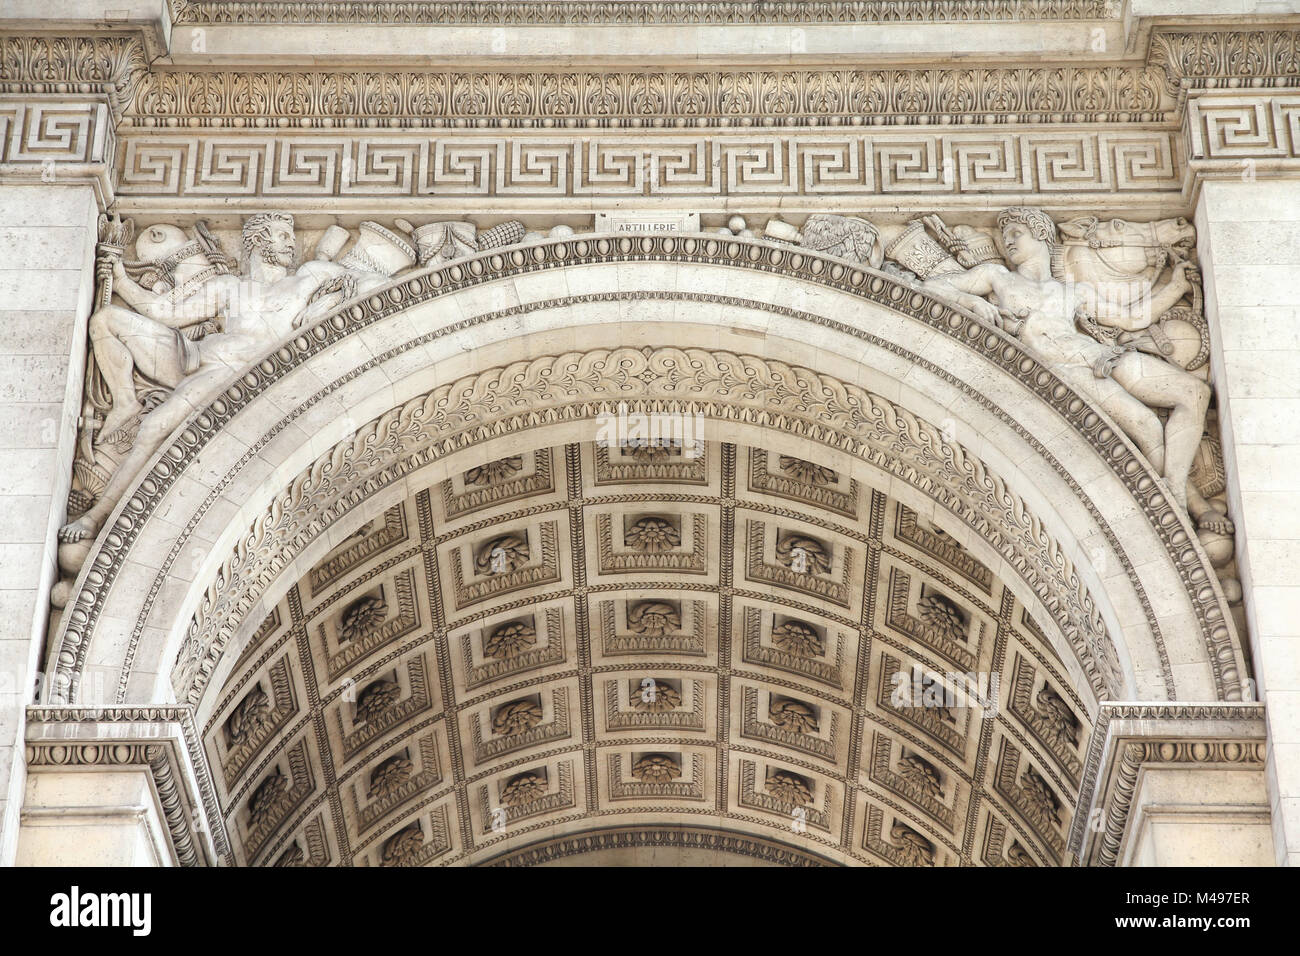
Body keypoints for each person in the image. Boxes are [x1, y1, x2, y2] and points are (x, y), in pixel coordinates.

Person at [59, 212, 374, 546]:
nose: (292, 241)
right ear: (257, 239)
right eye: (282, 235)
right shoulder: (230, 287)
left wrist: (326, 303)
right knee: (108, 320)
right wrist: (120, 279)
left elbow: (371, 286)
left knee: (155, 427)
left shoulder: (308, 277)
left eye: (291, 235)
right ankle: (125, 403)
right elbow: (164, 313)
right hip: (199, 357)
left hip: (237, 373)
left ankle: (96, 517)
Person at [921, 206, 1226, 531]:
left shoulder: (1072, 291)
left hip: (1098, 355)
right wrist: (974, 302)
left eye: (1016, 233)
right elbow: (933, 287)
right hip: (1061, 371)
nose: (1007, 241)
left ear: (1041, 234)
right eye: (1004, 235)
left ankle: (1178, 494)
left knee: (1195, 392)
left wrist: (1176, 287)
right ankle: (1183, 507)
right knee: (1146, 425)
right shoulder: (998, 278)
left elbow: (1132, 318)